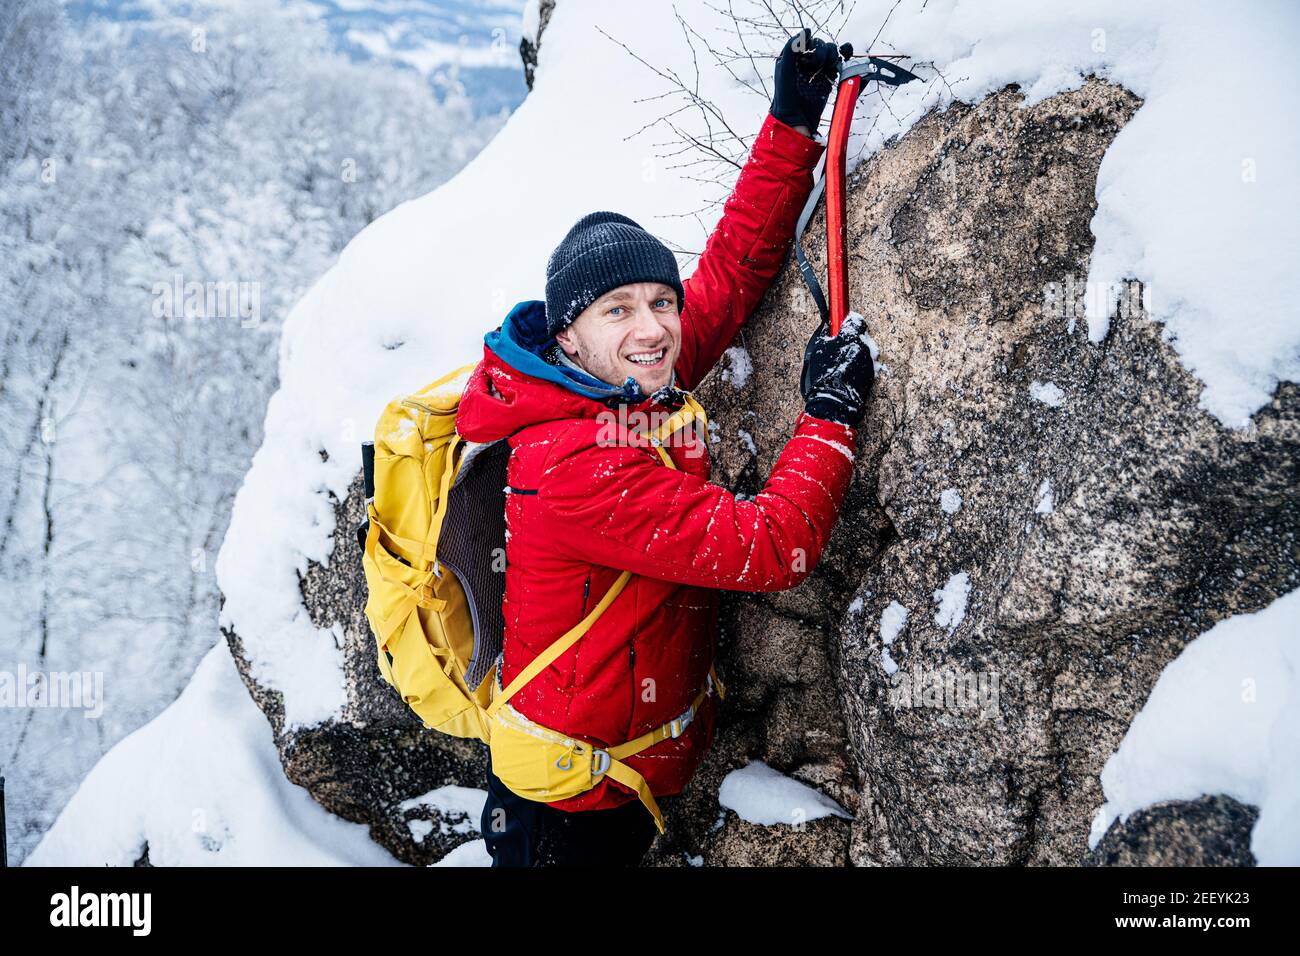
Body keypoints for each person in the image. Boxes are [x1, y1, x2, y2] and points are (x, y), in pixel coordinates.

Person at [455, 29, 876, 867]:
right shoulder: (571, 462)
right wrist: (828, 416)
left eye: (659, 301)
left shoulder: (627, 379)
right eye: (617, 309)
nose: (652, 328)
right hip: (566, 815)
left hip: (625, 777)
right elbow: (770, 545)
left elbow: (733, 266)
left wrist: (791, 121)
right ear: (568, 337)